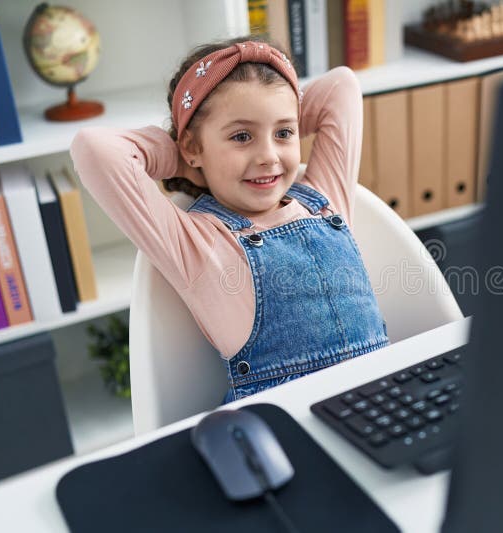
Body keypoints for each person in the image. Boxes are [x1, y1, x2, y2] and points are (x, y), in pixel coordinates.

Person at [70, 37, 389, 403]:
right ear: (192, 146)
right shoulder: (200, 244)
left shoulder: (324, 201)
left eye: (284, 133)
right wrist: (183, 157)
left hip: (380, 396)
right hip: (285, 418)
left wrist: (264, 69)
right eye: (241, 136)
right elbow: (93, 149)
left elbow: (341, 87)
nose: (269, 156)